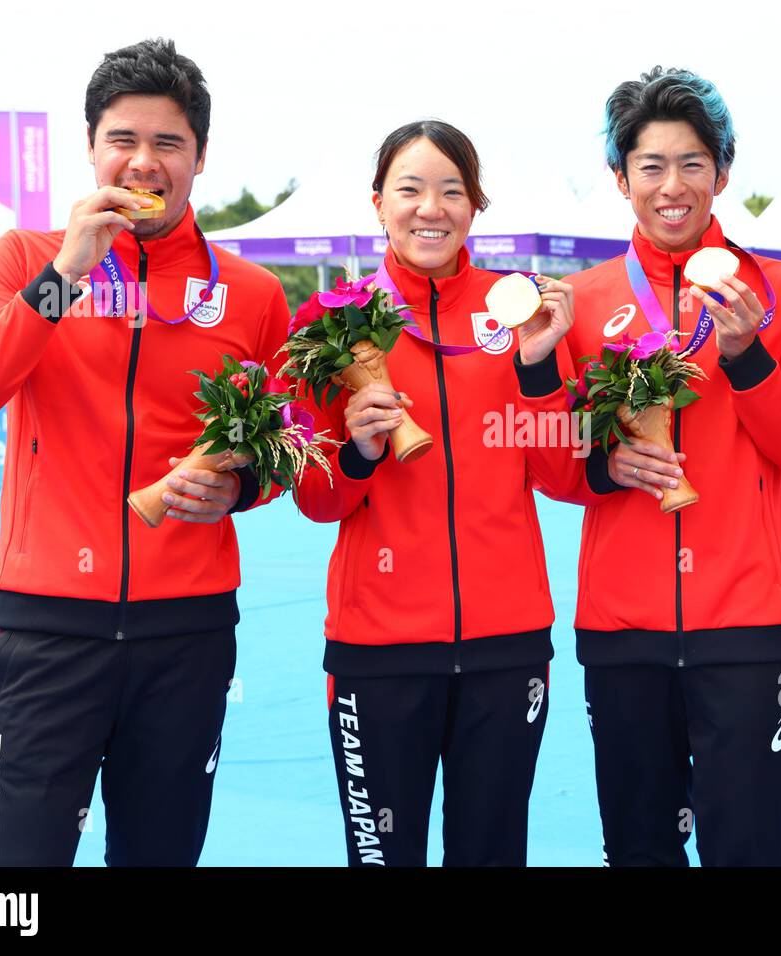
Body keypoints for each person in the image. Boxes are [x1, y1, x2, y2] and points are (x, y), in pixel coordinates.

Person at [0, 38, 293, 866]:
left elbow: (283, 446)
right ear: (92, 147)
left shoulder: (252, 293)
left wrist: (240, 493)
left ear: (200, 156)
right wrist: (65, 274)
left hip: (189, 636)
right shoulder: (27, 259)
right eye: (123, 140)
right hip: (47, 627)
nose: (143, 163)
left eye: (168, 143)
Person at [526, 67, 781, 865]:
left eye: (693, 163)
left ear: (723, 173)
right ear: (620, 178)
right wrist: (607, 468)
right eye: (652, 166)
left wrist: (747, 357)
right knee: (637, 848)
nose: (673, 186)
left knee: (748, 847)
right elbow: (551, 471)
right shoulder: (583, 300)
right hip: (621, 627)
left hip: (743, 625)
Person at [294, 120, 580, 866]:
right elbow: (316, 499)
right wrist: (357, 450)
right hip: (378, 649)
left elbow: (564, 474)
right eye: (410, 189)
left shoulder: (520, 309)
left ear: (476, 205)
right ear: (378, 203)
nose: (432, 208)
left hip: (506, 645)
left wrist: (540, 369)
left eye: (452, 190)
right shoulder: (336, 325)